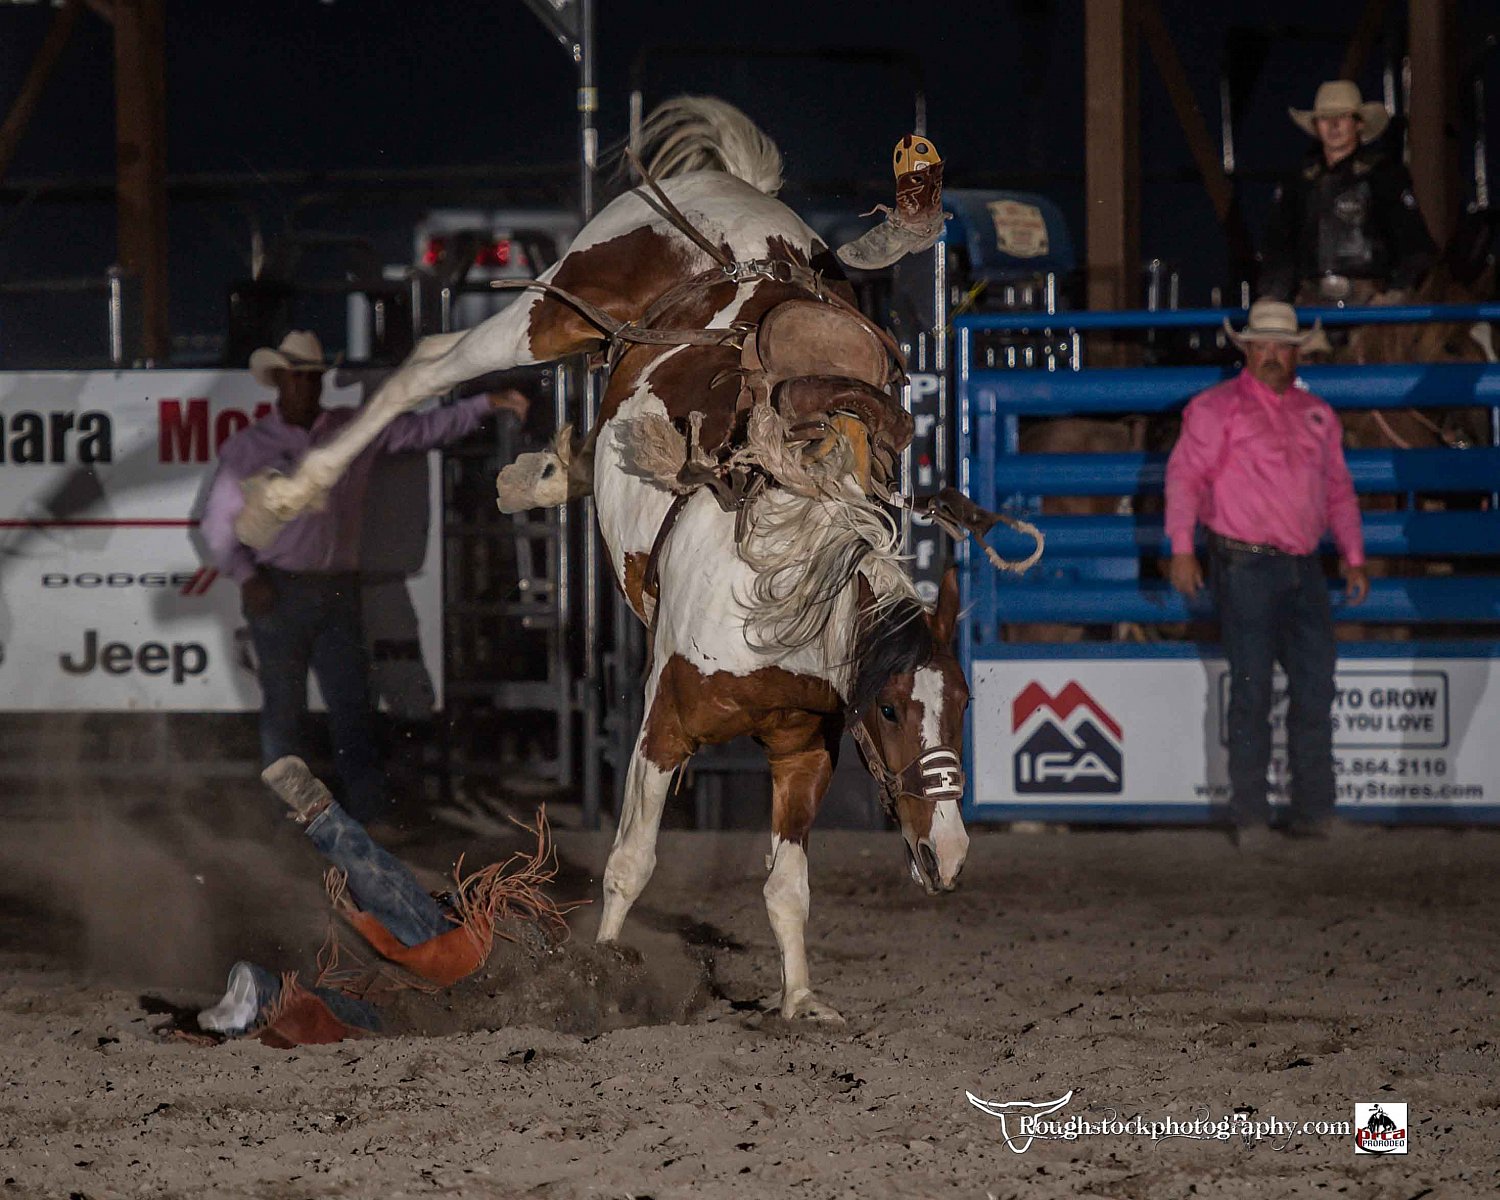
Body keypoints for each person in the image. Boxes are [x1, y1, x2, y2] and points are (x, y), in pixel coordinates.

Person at [201, 331, 526, 823]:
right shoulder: (252, 446)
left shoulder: (348, 430)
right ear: (280, 384)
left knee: (351, 707)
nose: (305, 387)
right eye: (297, 378)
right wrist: (248, 577)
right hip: (279, 587)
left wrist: (485, 403)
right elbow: (217, 524)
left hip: (334, 589)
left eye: (311, 378)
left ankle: (367, 815)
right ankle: (291, 820)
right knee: (286, 712)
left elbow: (422, 429)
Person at [1164, 301, 1369, 845]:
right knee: (1252, 690)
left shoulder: (1317, 413)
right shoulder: (1215, 409)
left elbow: (1338, 490)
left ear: (1296, 351)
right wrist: (1182, 548)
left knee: (1314, 688)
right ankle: (1252, 815)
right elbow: (1185, 479)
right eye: (1263, 346)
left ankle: (1313, 811)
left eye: (1281, 346)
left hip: (1303, 565)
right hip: (1245, 563)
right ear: (1247, 351)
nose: (1273, 355)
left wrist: (1352, 554)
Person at [198, 756, 564, 1046]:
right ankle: (322, 815)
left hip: (432, 995)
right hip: (458, 961)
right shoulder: (525, 959)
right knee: (412, 926)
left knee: (387, 1016)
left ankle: (261, 995)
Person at [1259, 80, 1436, 306]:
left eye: (1342, 116)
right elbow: (1277, 247)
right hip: (1309, 302)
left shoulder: (1384, 176)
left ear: (1359, 124)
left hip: (1372, 303)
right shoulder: (1298, 182)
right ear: (1315, 126)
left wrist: (1395, 292)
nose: (1333, 125)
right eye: (1325, 118)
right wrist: (1273, 296)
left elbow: (1416, 247)